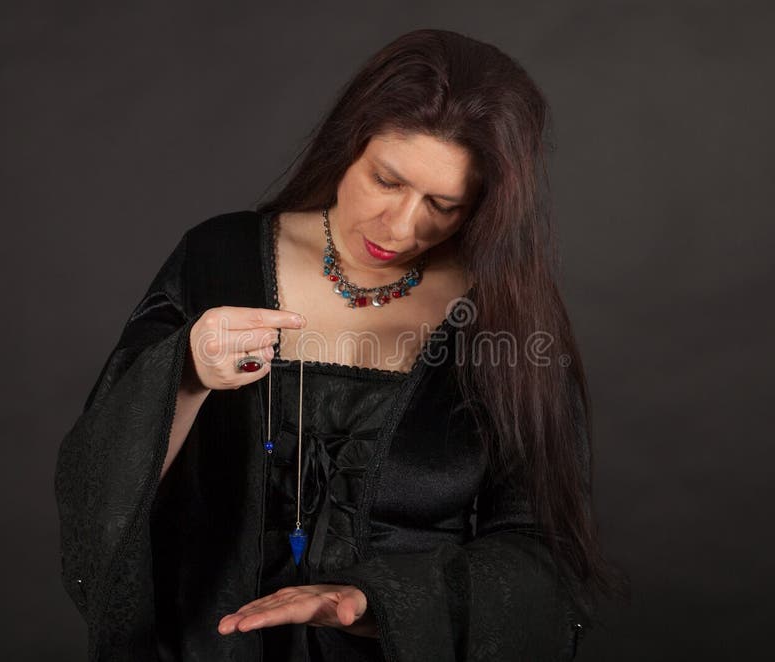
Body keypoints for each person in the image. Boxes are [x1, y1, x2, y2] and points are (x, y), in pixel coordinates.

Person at [54, 28, 615, 661]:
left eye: (443, 204)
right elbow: (97, 495)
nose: (403, 227)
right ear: (350, 144)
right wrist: (185, 370)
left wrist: (380, 604)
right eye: (386, 180)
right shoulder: (218, 258)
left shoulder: (506, 320)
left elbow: (543, 556)